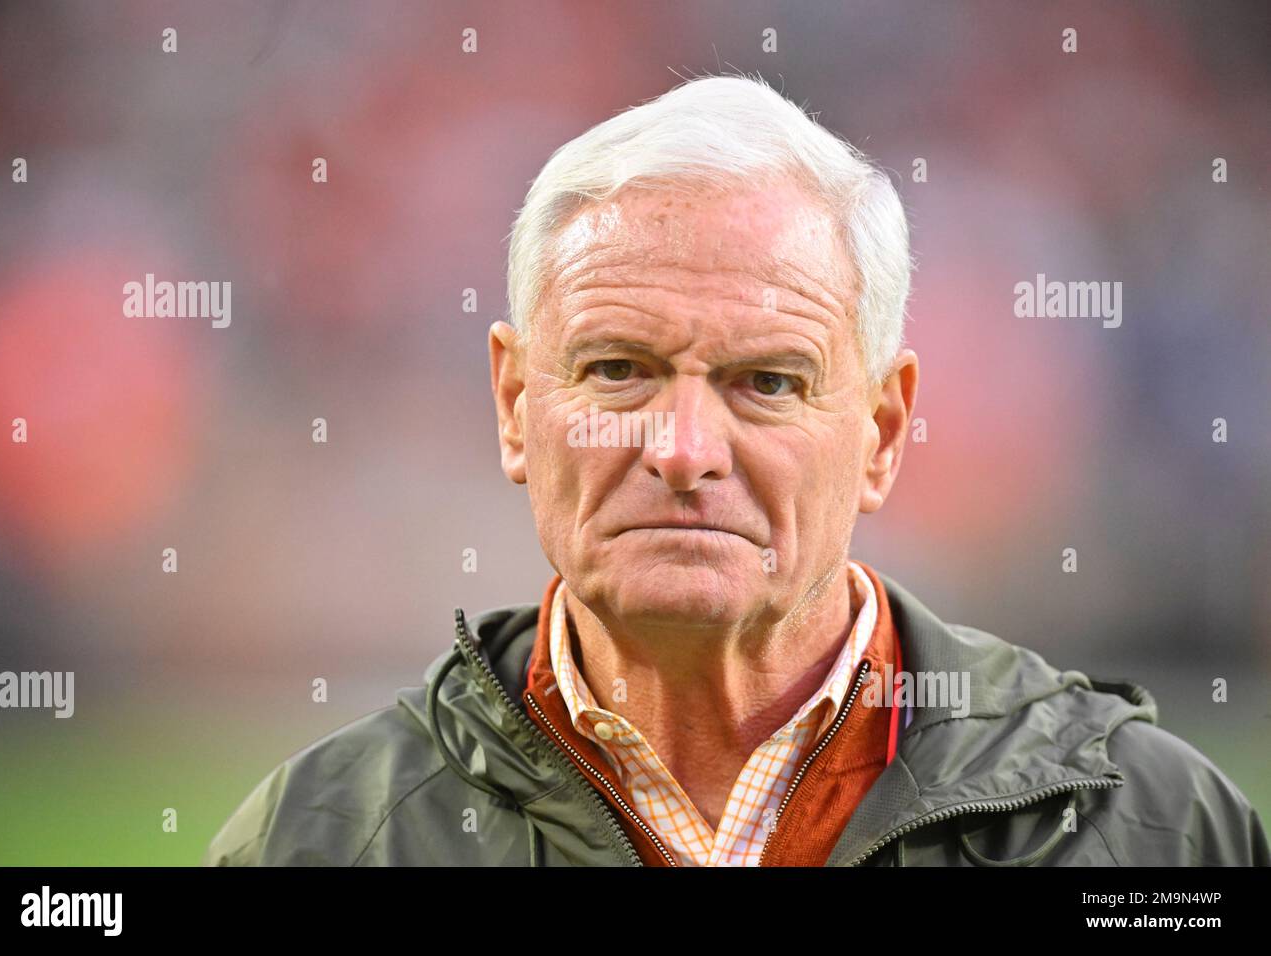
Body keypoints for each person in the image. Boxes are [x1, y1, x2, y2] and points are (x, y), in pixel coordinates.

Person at [204, 74, 1267, 867]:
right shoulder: (314, 841)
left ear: (884, 432)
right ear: (517, 406)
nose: (680, 450)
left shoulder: (1157, 836)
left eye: (765, 381)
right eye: (617, 370)